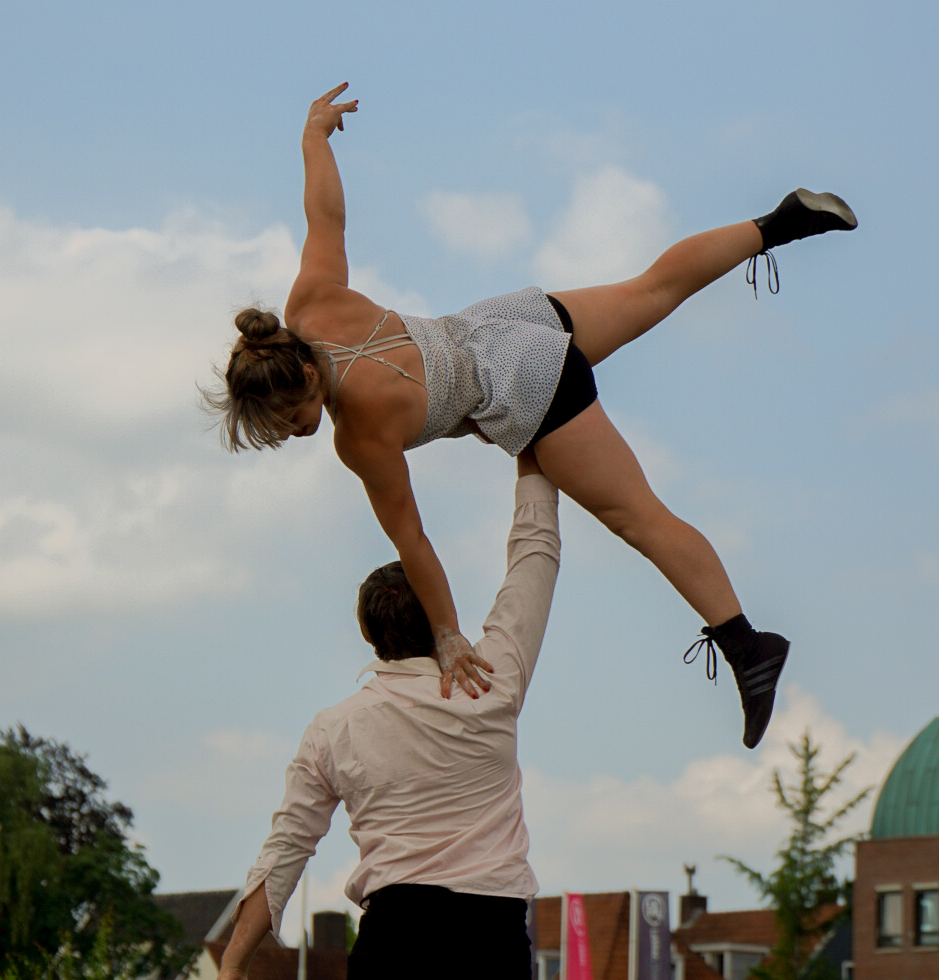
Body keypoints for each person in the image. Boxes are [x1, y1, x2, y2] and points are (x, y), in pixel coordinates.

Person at [205, 83, 857, 749]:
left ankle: (748, 645)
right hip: (499, 323)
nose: (292, 433)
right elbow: (325, 216)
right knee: (650, 290)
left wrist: (448, 634)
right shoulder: (312, 303)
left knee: (637, 516)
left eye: (289, 418)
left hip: (525, 380)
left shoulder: (359, 433)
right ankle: (782, 222)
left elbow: (413, 540)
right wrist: (314, 137)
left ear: (305, 375)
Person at [190, 451, 560, 980]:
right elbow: (533, 558)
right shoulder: (493, 683)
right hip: (489, 941)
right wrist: (533, 440)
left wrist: (234, 963)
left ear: (368, 635)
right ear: (440, 614)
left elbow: (284, 851)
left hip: (397, 939)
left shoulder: (335, 729)